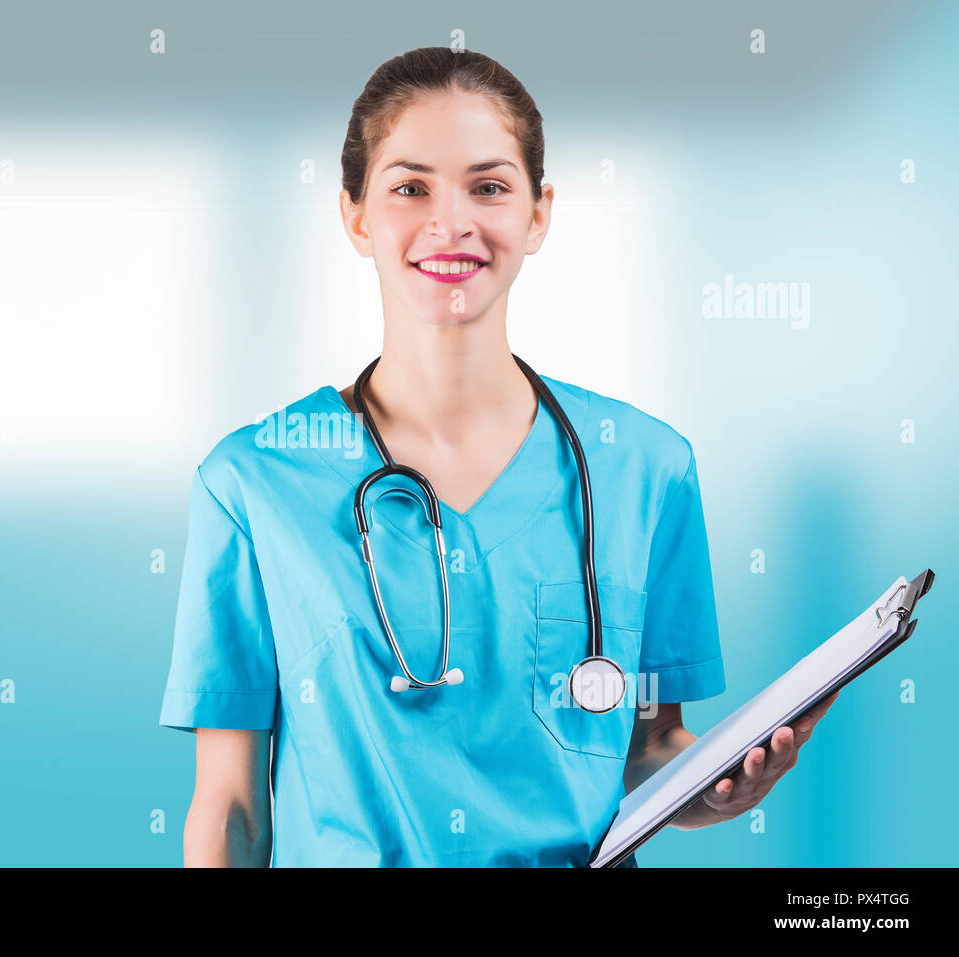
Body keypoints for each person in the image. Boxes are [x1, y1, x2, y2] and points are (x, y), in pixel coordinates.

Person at [158, 46, 835, 867]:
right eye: (410, 187)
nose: (452, 223)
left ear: (538, 213)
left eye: (489, 186)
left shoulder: (646, 469)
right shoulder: (254, 482)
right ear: (356, 215)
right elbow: (230, 808)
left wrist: (715, 785)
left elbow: (649, 746)